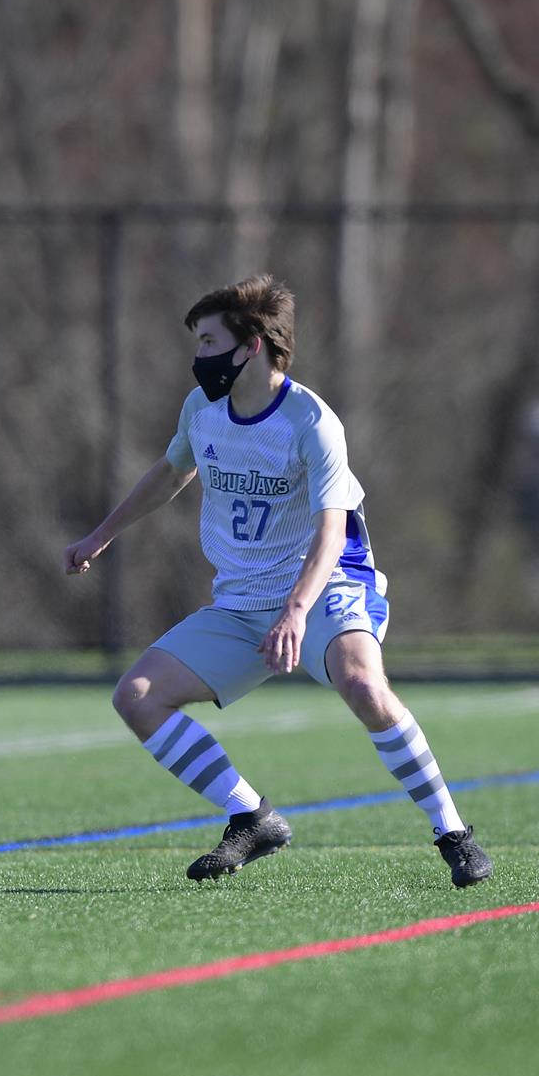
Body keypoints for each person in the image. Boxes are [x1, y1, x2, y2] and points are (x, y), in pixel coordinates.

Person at [62, 275, 493, 887]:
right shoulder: (202, 411)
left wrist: (296, 612)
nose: (199, 356)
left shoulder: (312, 422)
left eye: (210, 340)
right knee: (136, 696)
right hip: (242, 603)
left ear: (252, 345)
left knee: (363, 686)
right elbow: (170, 472)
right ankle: (252, 816)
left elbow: (329, 533)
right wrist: (101, 534)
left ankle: (453, 833)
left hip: (325, 589)